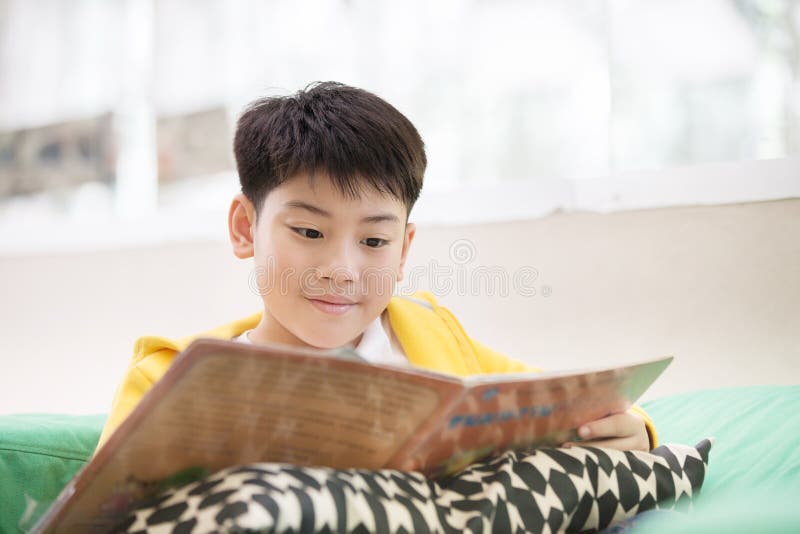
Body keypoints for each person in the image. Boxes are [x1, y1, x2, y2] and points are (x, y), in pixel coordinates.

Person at [96, 81, 656, 453]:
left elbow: (568, 405)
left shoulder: (429, 333)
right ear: (246, 228)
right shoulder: (169, 380)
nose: (343, 269)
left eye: (374, 240)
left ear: (404, 249)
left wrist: (636, 430)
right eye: (310, 232)